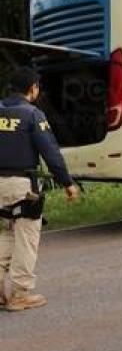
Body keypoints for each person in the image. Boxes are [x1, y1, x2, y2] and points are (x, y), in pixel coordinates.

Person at [0, 67, 79, 311]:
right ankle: (19, 294)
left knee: (7, 233)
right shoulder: (32, 114)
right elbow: (50, 153)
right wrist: (67, 182)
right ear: (32, 88)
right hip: (21, 185)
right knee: (26, 237)